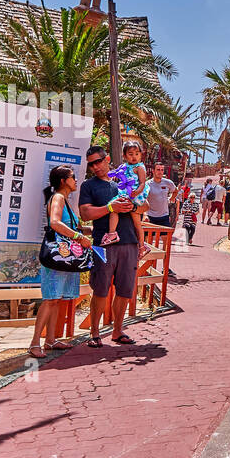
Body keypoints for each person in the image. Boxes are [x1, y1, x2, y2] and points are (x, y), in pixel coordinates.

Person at [78, 145, 147, 347]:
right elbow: (85, 213)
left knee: (125, 290)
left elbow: (146, 205)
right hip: (103, 244)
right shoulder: (88, 186)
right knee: (100, 289)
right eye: (91, 164)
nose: (96, 167)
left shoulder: (124, 180)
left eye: (98, 161)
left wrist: (133, 206)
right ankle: (95, 333)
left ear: (107, 158)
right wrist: (110, 208)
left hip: (130, 242)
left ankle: (118, 331)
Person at [30, 165, 91, 358]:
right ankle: (34, 343)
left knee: (56, 300)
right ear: (63, 181)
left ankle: (50, 340)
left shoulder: (65, 200)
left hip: (64, 256)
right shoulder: (57, 198)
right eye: (72, 177)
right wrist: (78, 236)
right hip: (58, 256)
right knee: (50, 299)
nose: (75, 180)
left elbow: (73, 227)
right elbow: (55, 223)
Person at [101, 140, 149, 246]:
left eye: (137, 154)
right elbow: (117, 173)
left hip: (135, 195)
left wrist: (136, 192)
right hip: (125, 192)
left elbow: (142, 183)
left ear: (141, 154)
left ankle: (142, 245)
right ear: (124, 155)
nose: (134, 157)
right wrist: (114, 176)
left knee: (137, 222)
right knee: (113, 208)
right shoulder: (124, 166)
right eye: (130, 154)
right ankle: (112, 233)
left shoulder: (140, 168)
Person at [145, 163, 178, 228]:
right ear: (153, 171)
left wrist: (171, 198)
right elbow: (144, 200)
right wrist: (145, 214)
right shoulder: (147, 184)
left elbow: (175, 191)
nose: (160, 172)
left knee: (166, 237)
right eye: (158, 170)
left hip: (164, 216)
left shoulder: (168, 183)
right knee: (149, 238)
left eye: (162, 170)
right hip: (150, 216)